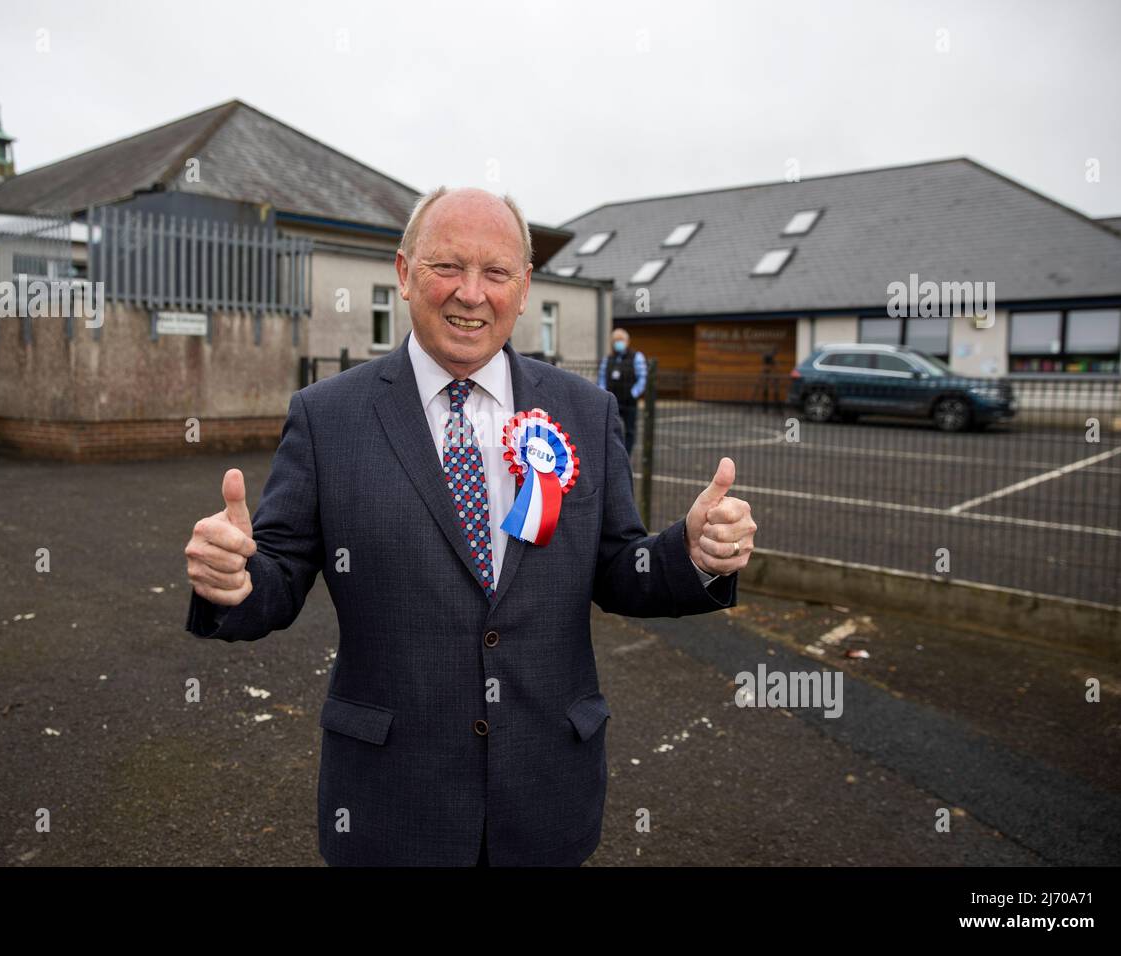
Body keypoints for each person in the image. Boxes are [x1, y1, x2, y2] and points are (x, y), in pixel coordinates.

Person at [183, 186, 756, 867]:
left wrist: (691, 554)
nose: (471, 294)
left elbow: (617, 569)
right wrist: (234, 579)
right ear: (403, 273)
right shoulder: (327, 417)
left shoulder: (585, 411)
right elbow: (276, 576)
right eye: (447, 266)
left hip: (545, 792)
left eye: (496, 273)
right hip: (391, 801)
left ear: (524, 287)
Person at [597, 328, 646, 458]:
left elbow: (642, 378)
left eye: (620, 340)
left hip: (629, 401)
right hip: (613, 401)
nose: (618, 343)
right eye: (615, 340)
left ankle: (626, 457)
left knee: (629, 431)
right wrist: (604, 393)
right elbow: (602, 378)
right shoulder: (608, 359)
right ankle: (613, 457)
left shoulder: (637, 357)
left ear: (627, 341)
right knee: (611, 430)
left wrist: (633, 393)